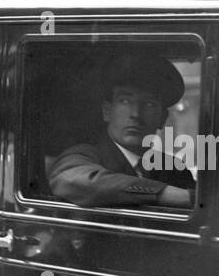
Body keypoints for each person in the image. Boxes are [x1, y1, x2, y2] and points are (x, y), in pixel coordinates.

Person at [46, 53, 193, 208]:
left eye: (149, 104)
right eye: (124, 101)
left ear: (162, 118)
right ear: (107, 111)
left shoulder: (174, 169)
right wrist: (164, 193)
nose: (135, 114)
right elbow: (70, 179)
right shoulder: (83, 156)